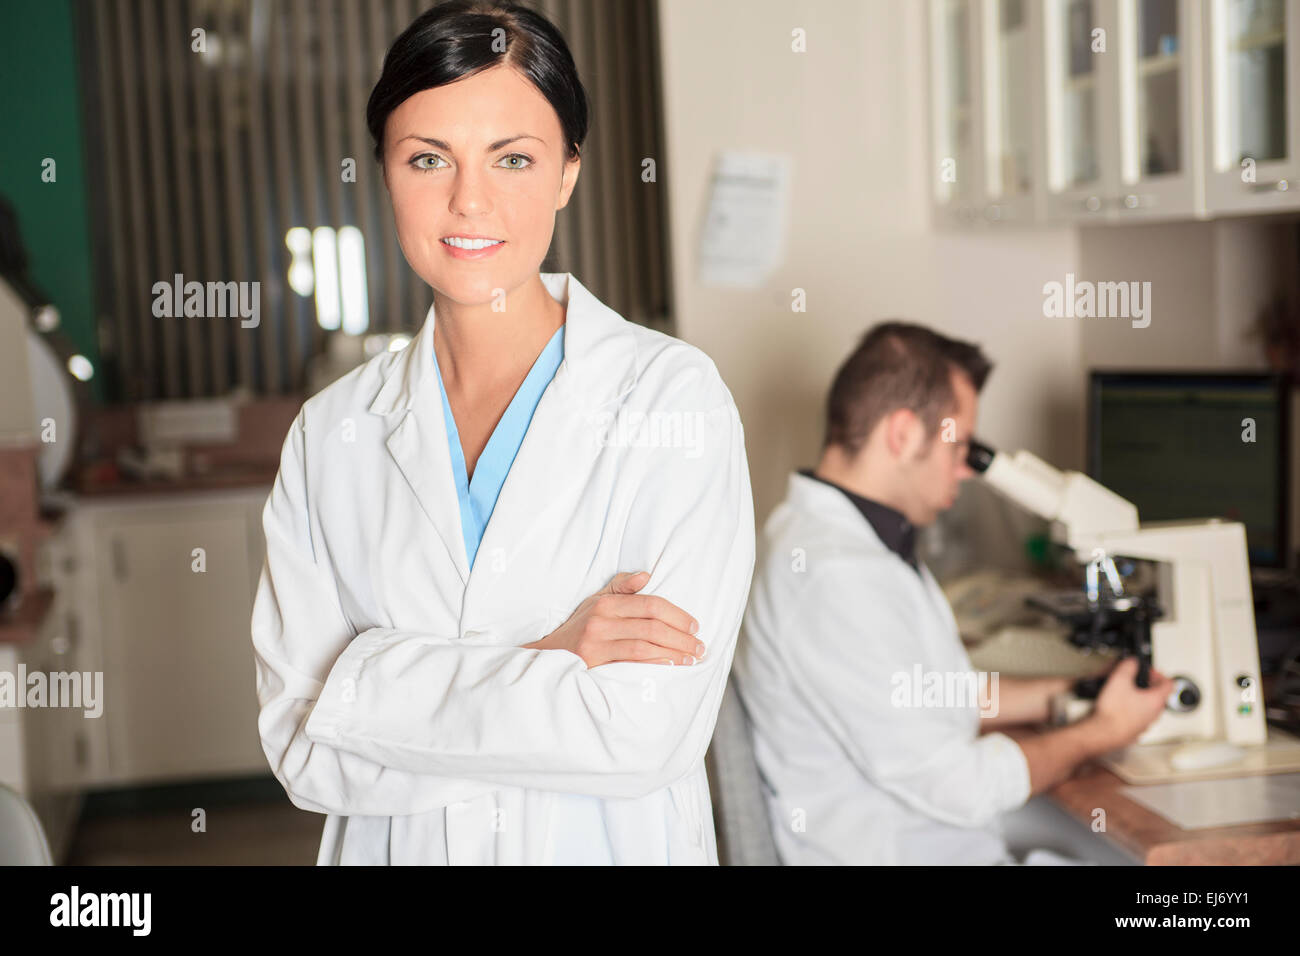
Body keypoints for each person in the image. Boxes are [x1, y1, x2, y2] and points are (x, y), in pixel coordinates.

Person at [250, 0, 754, 865]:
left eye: (513, 158)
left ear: (566, 173)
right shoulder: (329, 434)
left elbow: (639, 733)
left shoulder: (673, 401)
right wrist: (548, 654)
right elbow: (303, 745)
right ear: (383, 170)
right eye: (428, 159)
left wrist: (375, 687)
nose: (469, 200)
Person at [732, 321, 1172, 865]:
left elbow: (937, 694)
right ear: (902, 434)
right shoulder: (834, 576)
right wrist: (1101, 732)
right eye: (958, 444)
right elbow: (960, 787)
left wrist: (1076, 690)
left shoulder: (835, 541)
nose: (965, 468)